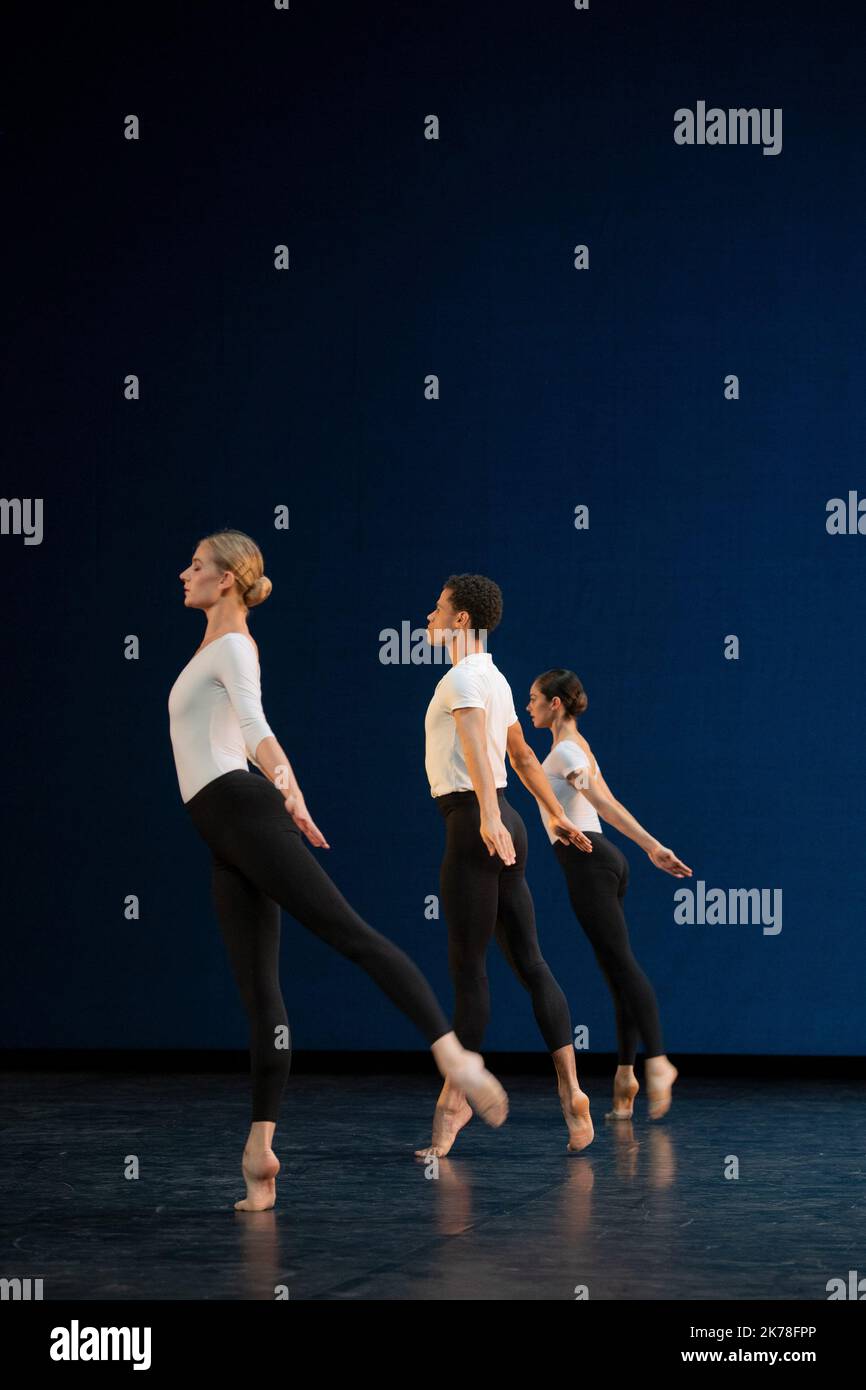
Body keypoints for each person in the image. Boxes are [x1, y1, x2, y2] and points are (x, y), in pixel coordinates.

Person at [168, 529, 508, 1211]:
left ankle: (454, 1056)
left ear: (227, 579)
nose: (185, 573)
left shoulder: (233, 645)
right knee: (261, 994)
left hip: (240, 812)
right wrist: (291, 793)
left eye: (197, 565)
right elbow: (236, 733)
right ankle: (260, 1153)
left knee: (347, 933)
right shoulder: (215, 649)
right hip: (224, 828)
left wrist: (285, 790)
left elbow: (256, 726)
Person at [416, 574, 596, 1159]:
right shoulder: (493, 675)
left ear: (462, 619)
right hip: (508, 820)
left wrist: (488, 819)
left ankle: (454, 1100)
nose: (431, 614)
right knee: (532, 962)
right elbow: (519, 755)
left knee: (469, 969)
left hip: (476, 824)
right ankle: (571, 1092)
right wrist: (555, 814)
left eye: (440, 607)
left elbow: (474, 745)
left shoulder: (463, 676)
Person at [527, 668, 691, 1120]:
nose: (529, 707)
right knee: (614, 969)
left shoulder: (564, 751)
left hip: (589, 861)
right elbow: (607, 799)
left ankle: (658, 1062)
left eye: (535, 699)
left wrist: (653, 846)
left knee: (622, 965)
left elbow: (602, 802)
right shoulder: (579, 747)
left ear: (555, 703)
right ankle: (625, 1077)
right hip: (606, 860)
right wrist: (645, 848)